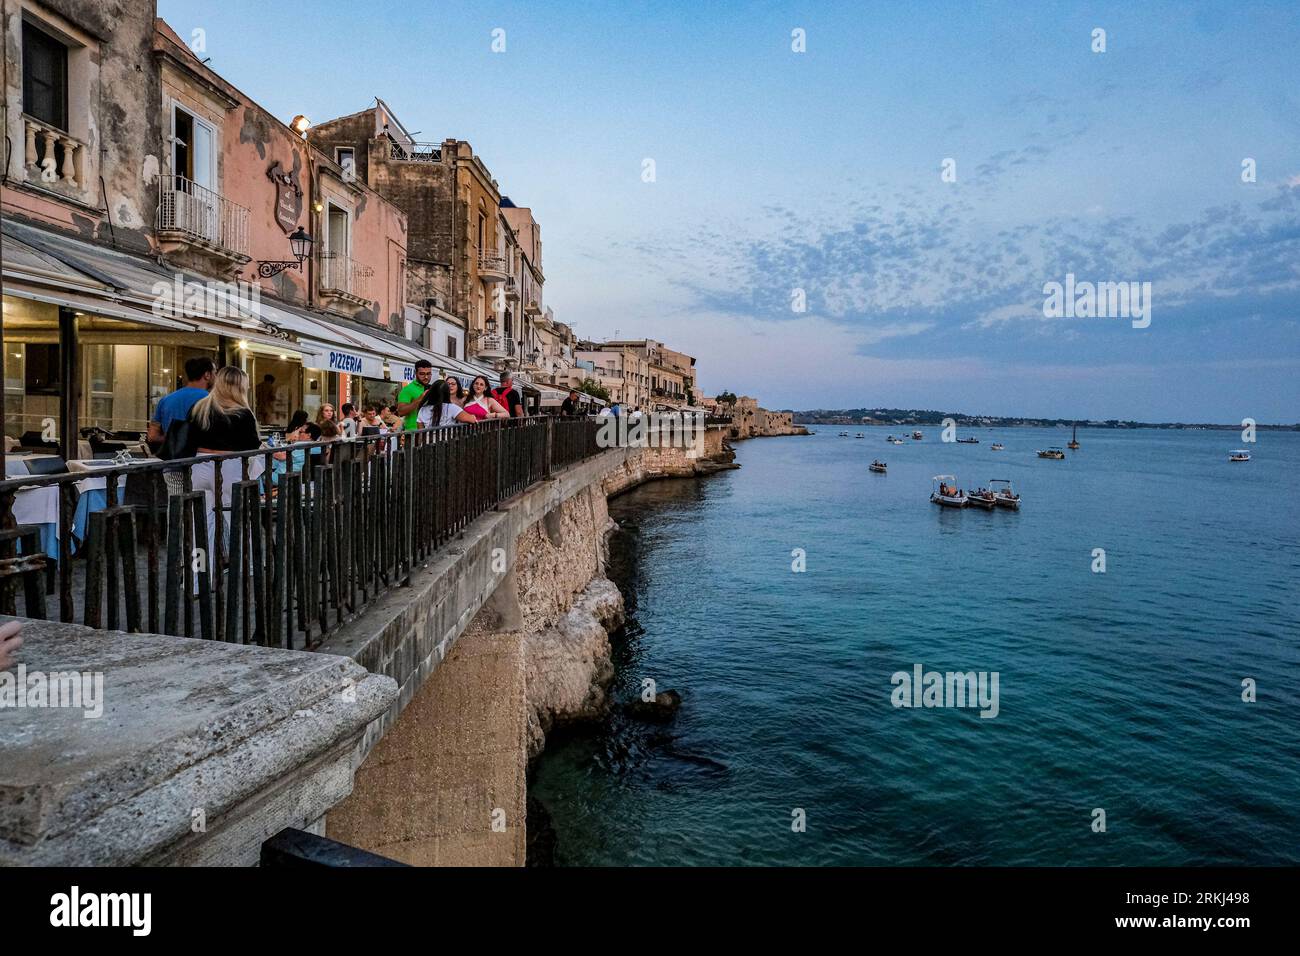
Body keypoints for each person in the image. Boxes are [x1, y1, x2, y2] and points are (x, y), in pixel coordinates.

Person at [185, 366, 260, 455]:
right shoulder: (242, 414)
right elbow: (252, 446)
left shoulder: (198, 408)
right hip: (232, 466)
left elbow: (188, 440)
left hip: (196, 466)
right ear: (241, 388)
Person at [147, 356, 214, 447]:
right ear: (207, 375)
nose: (216, 376)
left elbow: (152, 436)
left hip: (173, 455)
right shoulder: (211, 400)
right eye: (215, 372)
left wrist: (174, 439)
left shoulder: (166, 399)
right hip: (202, 456)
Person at [396, 360, 435, 430]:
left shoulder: (432, 388)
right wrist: (419, 399)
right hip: (413, 432)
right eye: (422, 374)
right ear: (416, 373)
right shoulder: (407, 389)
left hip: (430, 431)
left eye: (428, 374)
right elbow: (400, 412)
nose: (426, 377)